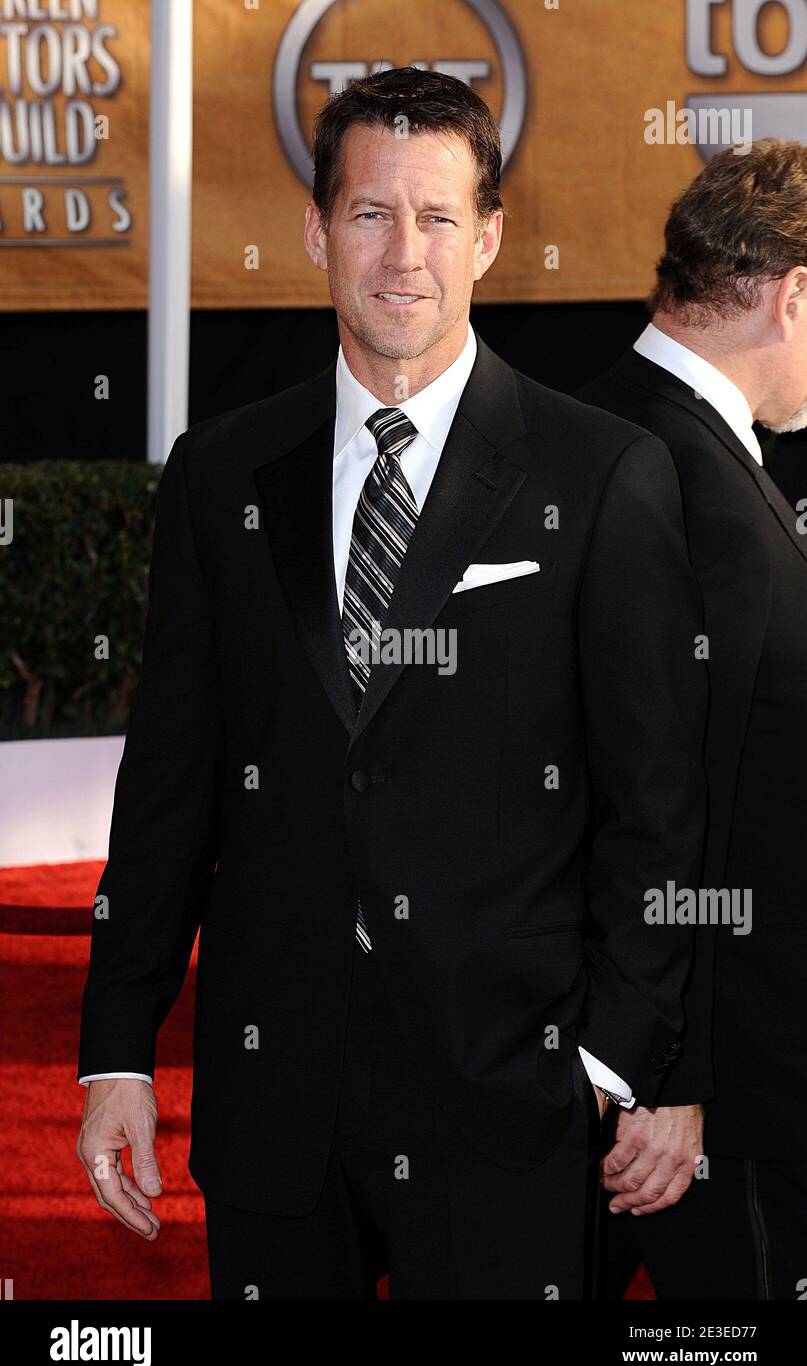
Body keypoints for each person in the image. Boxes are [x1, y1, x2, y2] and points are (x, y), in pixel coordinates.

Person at [76, 67, 707, 1300]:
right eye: (370, 213)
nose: (401, 253)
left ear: (489, 238)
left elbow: (660, 797)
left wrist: (615, 1057)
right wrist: (117, 1052)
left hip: (507, 1101)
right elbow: (170, 782)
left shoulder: (604, 472)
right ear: (317, 231)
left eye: (435, 217)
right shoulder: (221, 475)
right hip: (276, 1099)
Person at [578, 138, 807, 1301]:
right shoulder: (684, 475)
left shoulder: (611, 423)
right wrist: (674, 1075)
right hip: (721, 1082)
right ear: (793, 294)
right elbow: (669, 809)